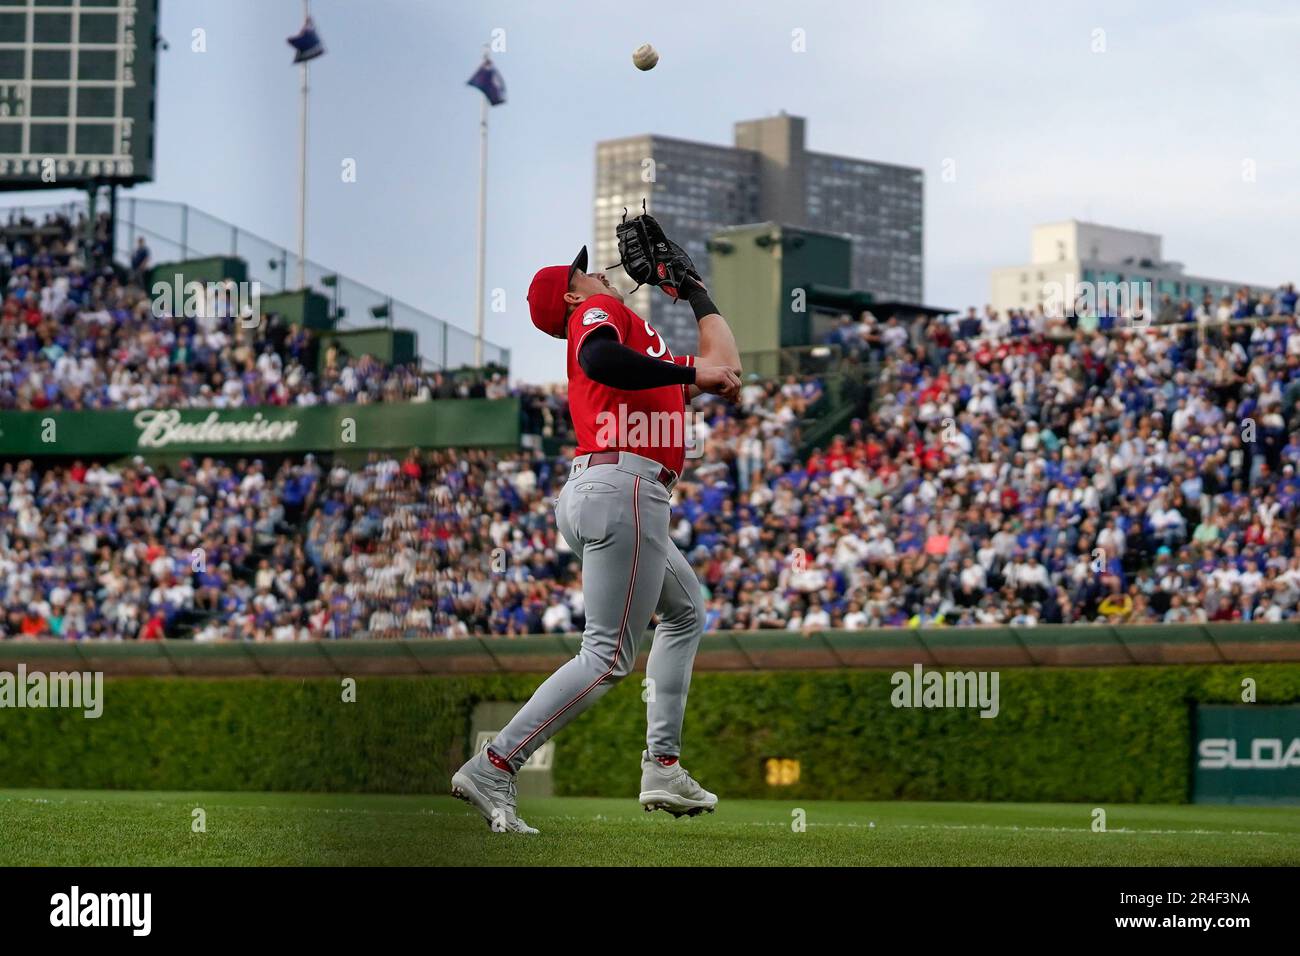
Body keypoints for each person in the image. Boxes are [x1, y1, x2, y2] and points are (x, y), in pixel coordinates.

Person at [451, 240, 742, 833]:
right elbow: (601, 360)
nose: (599, 273)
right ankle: (496, 763)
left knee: (687, 611)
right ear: (570, 291)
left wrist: (692, 289)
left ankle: (662, 765)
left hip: (615, 489)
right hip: (622, 486)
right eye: (584, 272)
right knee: (606, 655)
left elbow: (728, 370)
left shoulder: (641, 344)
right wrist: (690, 370)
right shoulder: (593, 316)